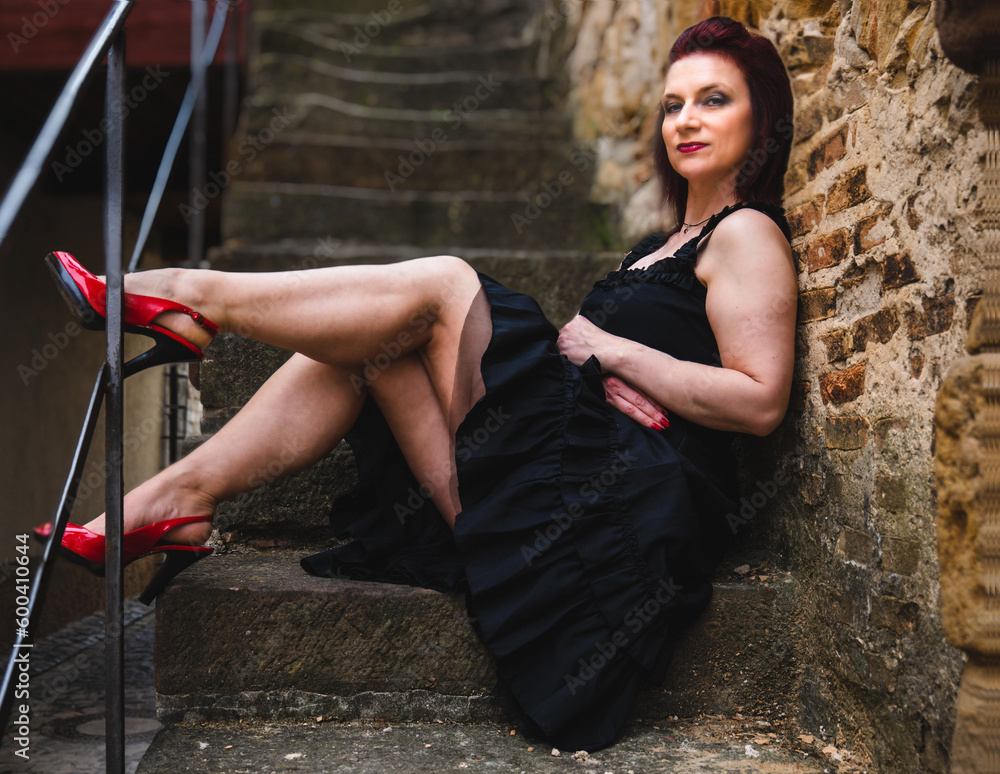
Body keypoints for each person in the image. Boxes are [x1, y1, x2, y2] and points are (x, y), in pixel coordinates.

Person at [37, 16, 797, 753]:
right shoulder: (652, 248)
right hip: (554, 490)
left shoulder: (746, 234)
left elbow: (761, 401)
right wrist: (595, 360)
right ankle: (183, 496)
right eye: (673, 104)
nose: (685, 120)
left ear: (759, 124)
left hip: (618, 525)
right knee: (377, 343)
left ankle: (192, 301)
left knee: (442, 285)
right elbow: (580, 362)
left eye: (713, 100)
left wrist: (613, 353)